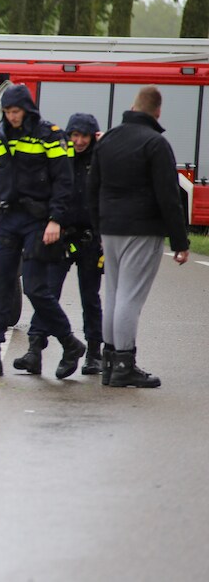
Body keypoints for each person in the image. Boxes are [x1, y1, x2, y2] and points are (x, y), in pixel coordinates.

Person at [0, 84, 85, 377]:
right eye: (6, 111)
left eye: (15, 111)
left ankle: (69, 342)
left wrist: (56, 219)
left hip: (38, 221)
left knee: (35, 289)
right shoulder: (0, 135)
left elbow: (63, 180)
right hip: (7, 220)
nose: (11, 116)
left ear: (27, 109)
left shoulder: (49, 135)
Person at [88, 85, 190, 388]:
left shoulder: (107, 141)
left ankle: (108, 363)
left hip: (110, 229)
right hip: (142, 229)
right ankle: (124, 364)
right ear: (157, 111)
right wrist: (180, 242)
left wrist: (99, 227)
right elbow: (168, 196)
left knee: (114, 294)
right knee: (130, 297)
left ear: (133, 106)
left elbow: (92, 189)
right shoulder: (155, 144)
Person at [13, 113, 104, 377]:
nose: (78, 141)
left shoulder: (100, 160)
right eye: (74, 135)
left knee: (90, 297)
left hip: (90, 239)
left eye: (84, 136)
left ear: (92, 136)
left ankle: (94, 354)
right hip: (60, 237)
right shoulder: (59, 155)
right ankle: (34, 350)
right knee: (47, 292)